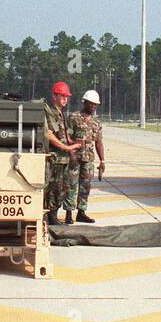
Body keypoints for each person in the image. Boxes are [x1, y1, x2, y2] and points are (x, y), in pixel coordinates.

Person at [43, 81, 80, 225]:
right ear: (54, 96)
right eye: (62, 96)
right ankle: (51, 216)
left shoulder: (61, 114)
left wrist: (72, 142)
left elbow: (62, 134)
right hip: (55, 158)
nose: (65, 99)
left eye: (66, 96)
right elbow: (49, 134)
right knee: (53, 188)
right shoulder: (49, 112)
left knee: (61, 189)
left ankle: (54, 215)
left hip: (63, 159)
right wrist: (66, 148)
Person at [67, 89, 106, 224]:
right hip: (74, 158)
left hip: (88, 160)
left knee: (85, 186)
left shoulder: (96, 122)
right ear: (85, 102)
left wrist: (102, 160)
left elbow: (99, 142)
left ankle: (81, 212)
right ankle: (68, 213)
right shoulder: (74, 117)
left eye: (96, 105)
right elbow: (67, 137)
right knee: (71, 185)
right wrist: (71, 153)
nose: (94, 107)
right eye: (91, 104)